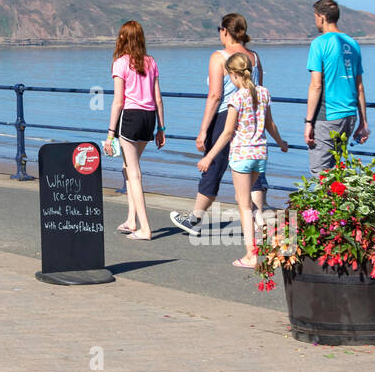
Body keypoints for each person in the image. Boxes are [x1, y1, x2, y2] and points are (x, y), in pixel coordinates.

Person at [172, 13, 264, 235]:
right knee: (253, 169)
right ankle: (259, 221)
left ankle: (195, 219)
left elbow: (215, 96)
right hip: (251, 118)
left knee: (213, 167)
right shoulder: (255, 57)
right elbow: (259, 89)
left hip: (225, 116)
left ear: (225, 31)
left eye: (219, 30)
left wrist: (203, 130)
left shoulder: (219, 57)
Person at [196, 53, 289, 268]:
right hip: (260, 154)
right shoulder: (264, 93)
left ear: (234, 74)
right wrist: (281, 142)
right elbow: (270, 124)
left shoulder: (235, 99)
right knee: (249, 202)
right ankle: (273, 238)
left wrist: (209, 157)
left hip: (241, 156)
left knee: (244, 205)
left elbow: (227, 133)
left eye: (229, 75)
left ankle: (251, 254)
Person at [102, 20, 164, 240]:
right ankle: (131, 219)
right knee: (128, 168)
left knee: (134, 173)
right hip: (148, 119)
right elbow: (157, 97)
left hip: (130, 118)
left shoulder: (120, 63)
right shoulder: (151, 62)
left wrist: (110, 134)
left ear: (123, 38)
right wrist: (161, 127)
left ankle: (145, 228)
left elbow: (118, 101)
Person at [305, 0, 369, 174]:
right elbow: (360, 87)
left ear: (322, 17)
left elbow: (316, 86)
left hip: (327, 115)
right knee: (336, 171)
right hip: (349, 115)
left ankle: (324, 202)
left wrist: (309, 122)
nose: (315, 21)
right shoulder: (352, 43)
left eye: (315, 16)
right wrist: (363, 122)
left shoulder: (319, 43)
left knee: (320, 173)